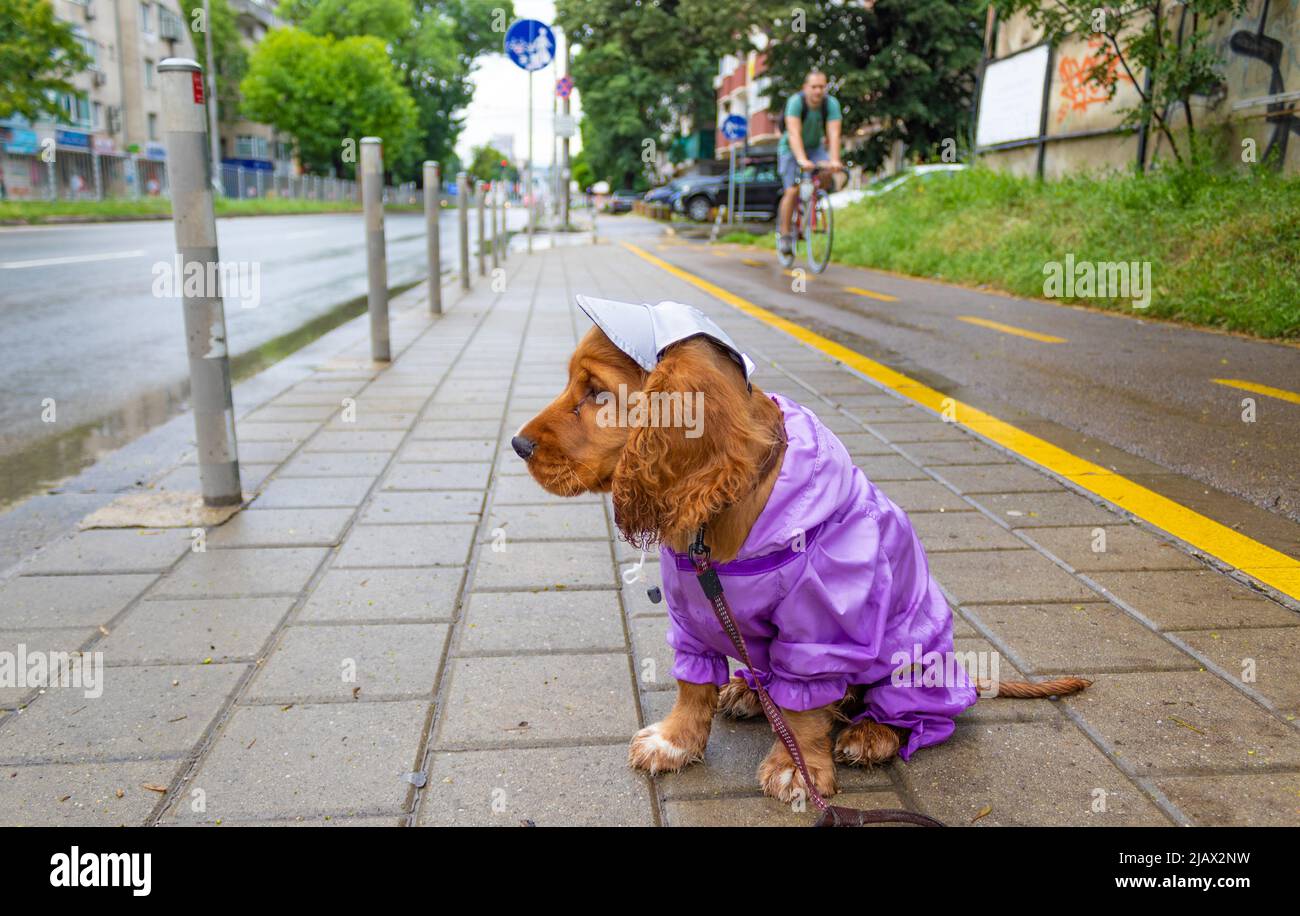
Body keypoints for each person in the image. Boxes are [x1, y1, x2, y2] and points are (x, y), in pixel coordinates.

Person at [776, 70, 843, 257]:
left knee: (827, 171)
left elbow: (834, 133)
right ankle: (785, 234)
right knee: (792, 190)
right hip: (790, 149)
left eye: (822, 87)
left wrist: (835, 160)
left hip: (814, 147)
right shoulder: (796, 102)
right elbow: (794, 133)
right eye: (814, 87)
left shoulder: (831, 104)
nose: (818, 91)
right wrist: (801, 159)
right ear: (805, 88)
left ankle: (814, 200)